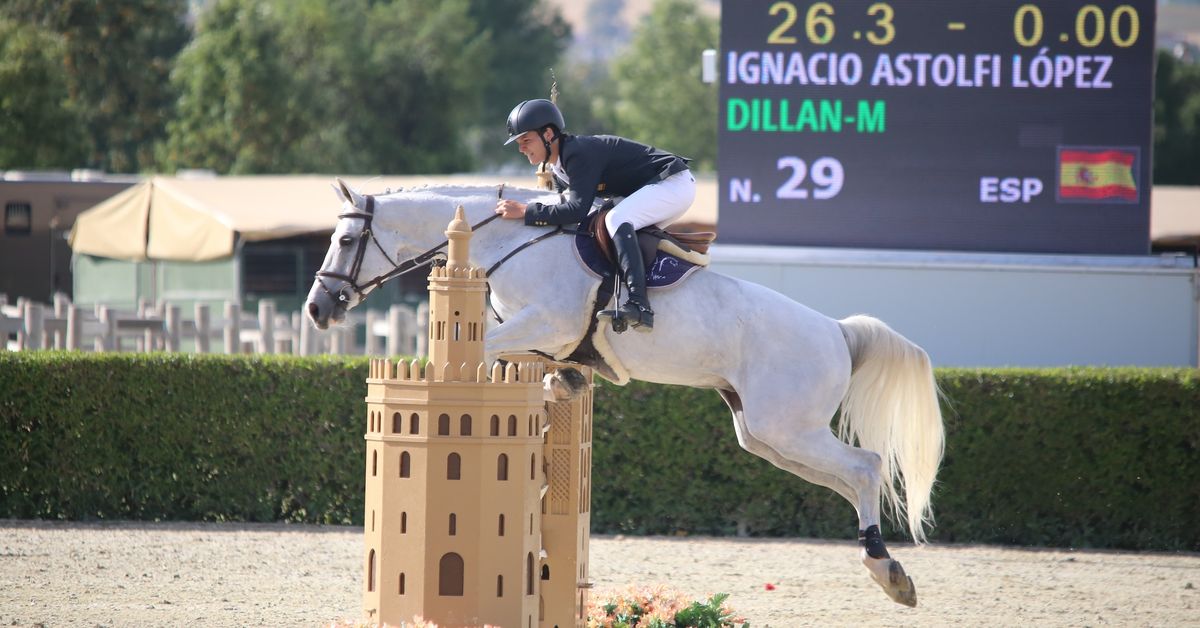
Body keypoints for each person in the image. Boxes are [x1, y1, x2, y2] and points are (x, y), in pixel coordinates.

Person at [495, 99, 695, 333]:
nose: (521, 148)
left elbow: (575, 209)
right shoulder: (560, 169)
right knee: (598, 225)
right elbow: (569, 216)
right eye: (519, 142)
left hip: (672, 184)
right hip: (653, 189)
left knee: (616, 220)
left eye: (526, 140)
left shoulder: (578, 153)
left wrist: (525, 211)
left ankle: (640, 305)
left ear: (548, 134)